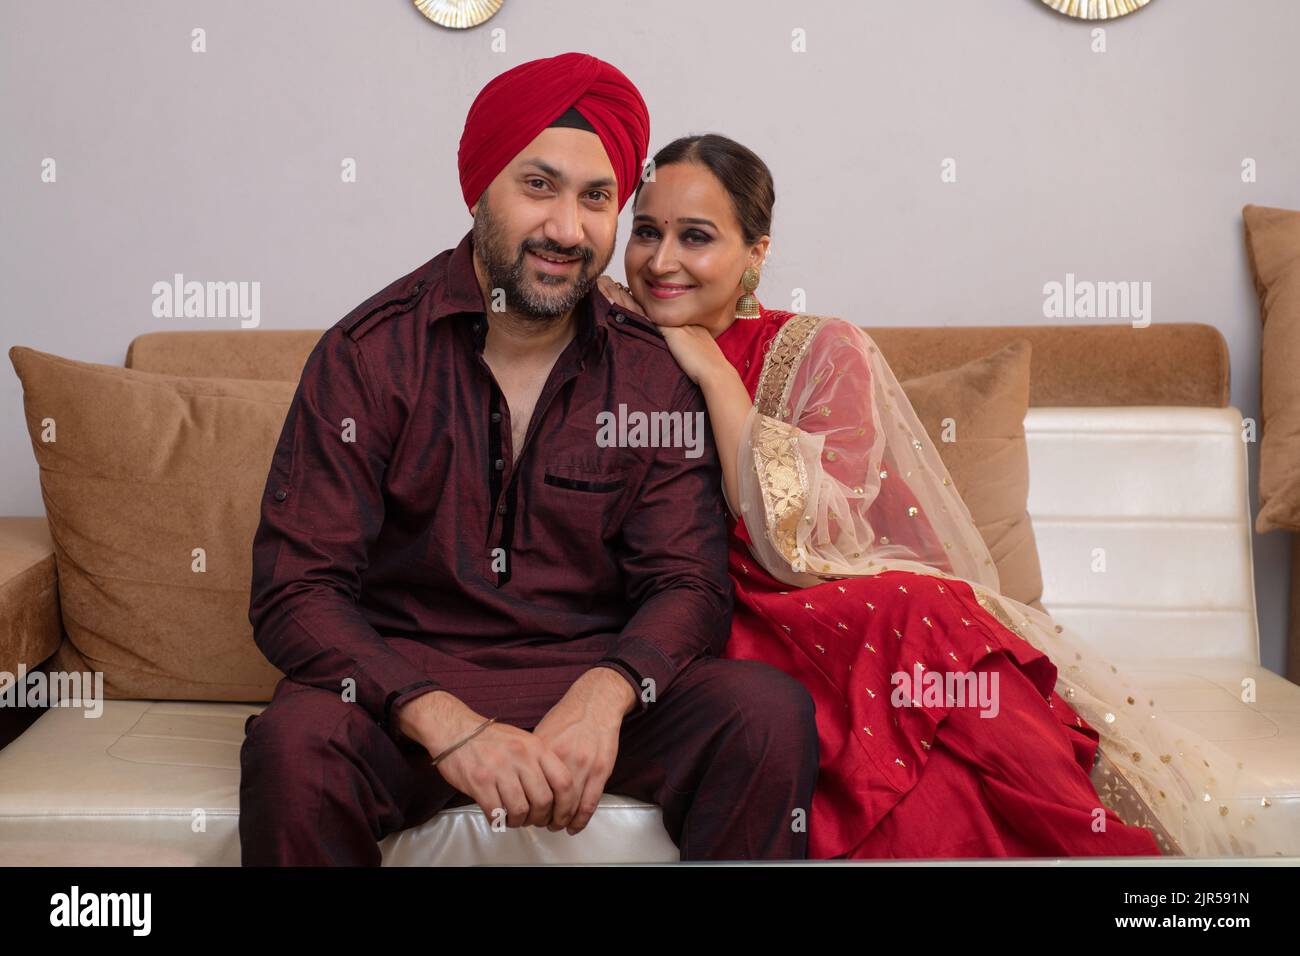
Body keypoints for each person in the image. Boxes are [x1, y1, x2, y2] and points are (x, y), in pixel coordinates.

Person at [597, 132, 1286, 859]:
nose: (661, 260)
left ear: (756, 254)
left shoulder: (819, 350)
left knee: (924, 619)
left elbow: (802, 538)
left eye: (695, 237)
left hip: (806, 601)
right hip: (698, 617)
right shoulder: (610, 337)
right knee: (916, 689)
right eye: (646, 232)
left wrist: (712, 370)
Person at [239, 55, 819, 866]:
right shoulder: (368, 356)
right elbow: (295, 590)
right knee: (294, 749)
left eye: (597, 198)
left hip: (589, 675)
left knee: (763, 713)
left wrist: (606, 695)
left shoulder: (649, 372)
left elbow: (687, 582)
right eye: (538, 186)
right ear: (480, 190)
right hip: (404, 692)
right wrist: (444, 722)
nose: (567, 230)